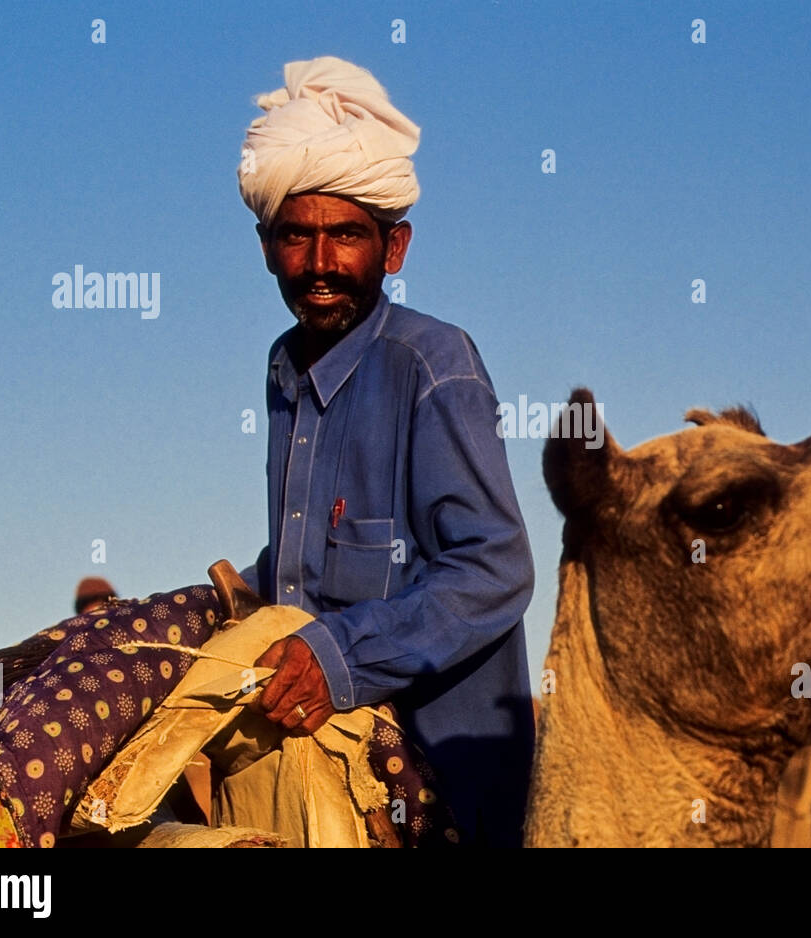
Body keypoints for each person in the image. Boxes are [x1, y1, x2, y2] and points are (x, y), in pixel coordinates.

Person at [234, 57, 536, 846]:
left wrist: (339, 656)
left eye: (346, 237)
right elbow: (315, 565)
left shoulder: (434, 366)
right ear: (267, 246)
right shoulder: (284, 370)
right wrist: (241, 597)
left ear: (393, 248)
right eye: (297, 237)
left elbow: (493, 569)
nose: (321, 264)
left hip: (440, 797)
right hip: (320, 792)